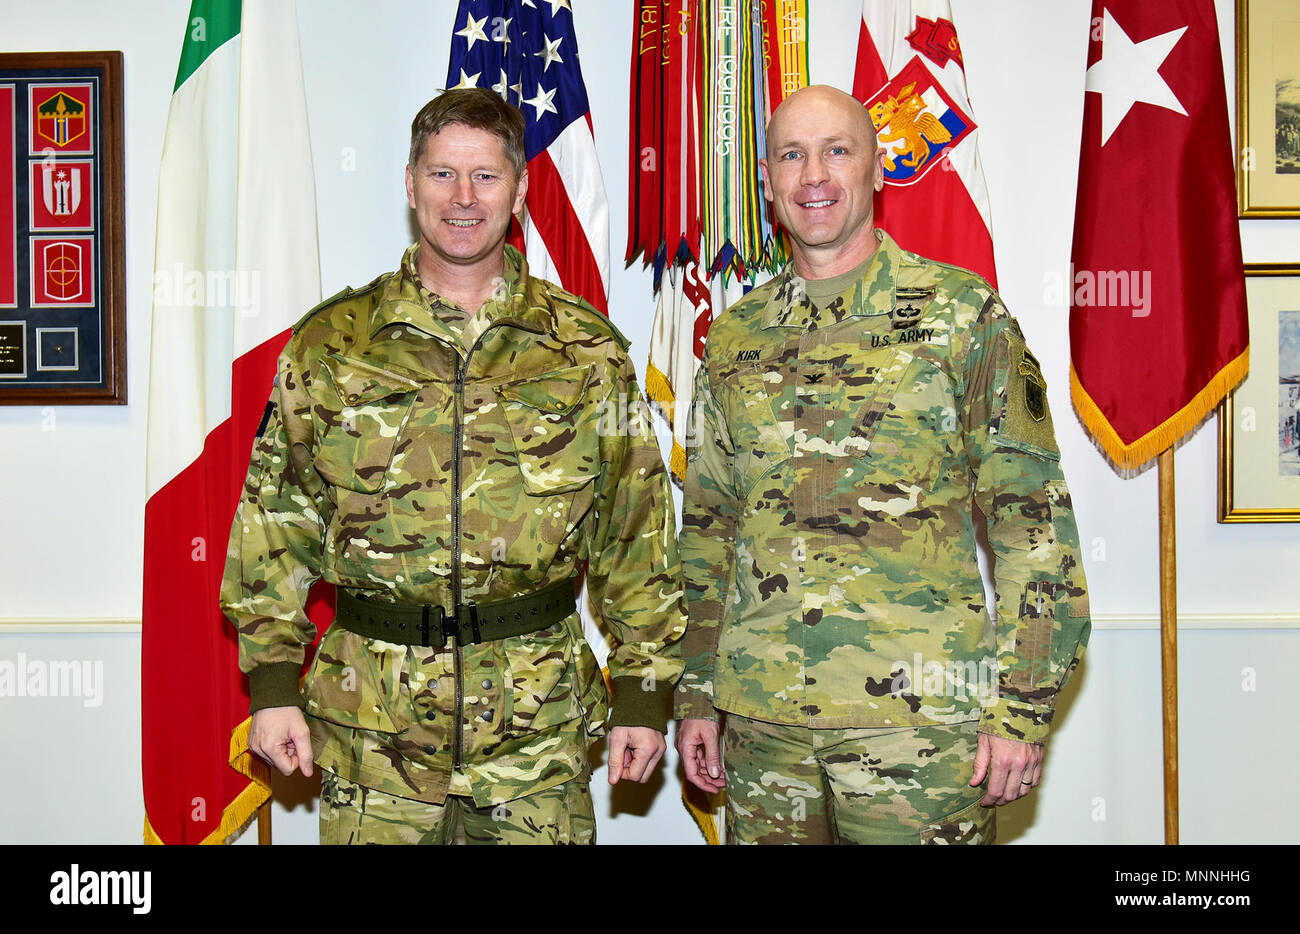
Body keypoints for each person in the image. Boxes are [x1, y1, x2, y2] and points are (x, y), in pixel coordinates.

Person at [220, 87, 685, 845]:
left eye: (486, 176)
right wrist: (272, 684)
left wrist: (640, 693)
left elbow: (635, 535)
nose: (462, 198)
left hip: (535, 739)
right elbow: (276, 525)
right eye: (441, 175)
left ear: (521, 189)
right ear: (410, 185)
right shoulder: (333, 344)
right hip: (374, 741)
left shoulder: (585, 350)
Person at [674, 85, 1090, 844]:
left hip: (920, 732)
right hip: (765, 731)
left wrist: (1023, 707)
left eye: (838, 149)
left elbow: (1034, 526)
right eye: (792, 156)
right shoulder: (734, 339)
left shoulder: (961, 314)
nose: (815, 177)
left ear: (875, 169)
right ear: (767, 180)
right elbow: (707, 528)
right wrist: (696, 693)